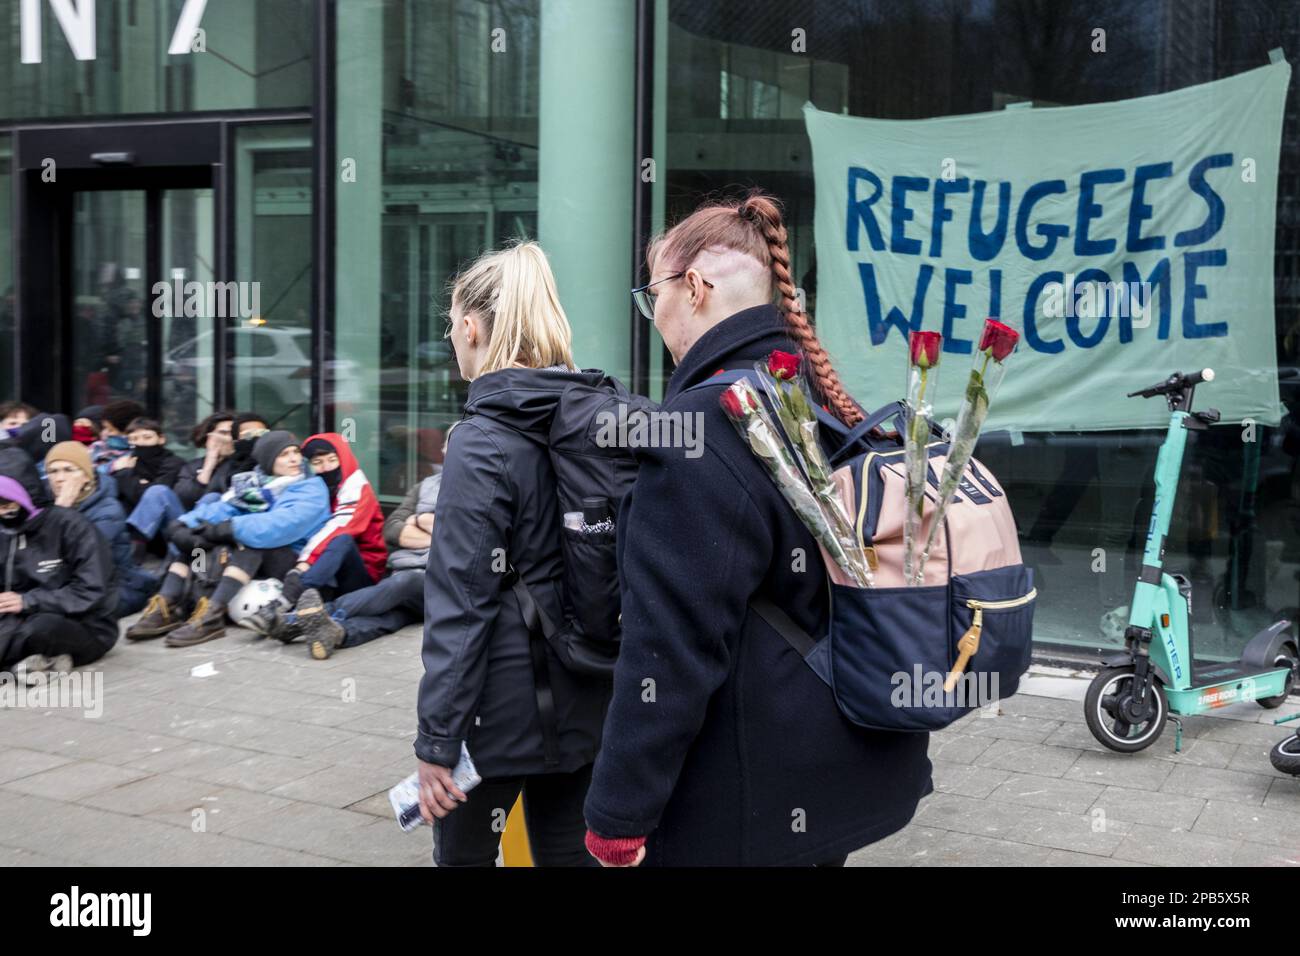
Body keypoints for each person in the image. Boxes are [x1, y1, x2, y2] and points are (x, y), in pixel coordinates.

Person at [581, 192, 934, 867]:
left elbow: (671, 647)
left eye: (650, 294)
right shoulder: (814, 396)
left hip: (741, 795)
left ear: (693, 286)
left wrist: (618, 816)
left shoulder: (702, 428)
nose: (652, 315)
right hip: (839, 757)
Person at [413, 241, 612, 867]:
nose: (452, 338)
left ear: (472, 327)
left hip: (496, 718)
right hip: (591, 696)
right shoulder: (597, 416)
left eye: (451, 325)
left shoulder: (480, 441)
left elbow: (461, 601)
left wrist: (436, 740)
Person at [124, 430, 330, 647]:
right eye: (284, 454)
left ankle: (212, 615)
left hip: (294, 562)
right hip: (259, 559)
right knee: (196, 546)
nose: (295, 459)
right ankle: (167, 604)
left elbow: (281, 525)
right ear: (269, 461)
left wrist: (227, 529)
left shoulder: (311, 487)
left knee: (249, 542)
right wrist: (185, 524)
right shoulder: (254, 484)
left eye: (296, 452)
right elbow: (222, 508)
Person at [279, 468, 442, 660]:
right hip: (406, 582)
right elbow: (392, 529)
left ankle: (297, 619)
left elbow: (460, 541)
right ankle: (336, 633)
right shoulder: (425, 486)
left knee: (406, 582)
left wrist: (417, 520)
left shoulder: (479, 493)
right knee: (390, 617)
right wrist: (430, 526)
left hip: (441, 584)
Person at [242, 431, 386, 636]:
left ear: (343, 458)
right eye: (317, 462)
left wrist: (302, 566)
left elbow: (340, 528)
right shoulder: (308, 486)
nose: (325, 467)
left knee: (342, 539)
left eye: (332, 460)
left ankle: (285, 602)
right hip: (323, 566)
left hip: (361, 575)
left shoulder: (357, 487)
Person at [0, 449, 117, 682]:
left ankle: (24, 663)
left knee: (40, 628)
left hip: (84, 625)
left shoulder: (71, 526)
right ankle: (29, 664)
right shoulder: (4, 532)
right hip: (19, 616)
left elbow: (90, 591)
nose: (3, 511)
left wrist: (28, 601)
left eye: (7, 503)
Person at [44, 441, 156, 616]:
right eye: (53, 471)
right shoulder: (43, 502)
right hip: (65, 585)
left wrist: (62, 511)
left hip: (116, 587)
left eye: (68, 470)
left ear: (87, 476)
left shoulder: (108, 510)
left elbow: (79, 557)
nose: (59, 478)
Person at [172, 412, 239, 510]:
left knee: (211, 498)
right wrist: (209, 464)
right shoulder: (193, 466)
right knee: (158, 491)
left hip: (222, 520)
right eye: (223, 433)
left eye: (233, 434)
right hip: (186, 520)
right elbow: (183, 498)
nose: (228, 439)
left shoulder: (243, 464)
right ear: (208, 438)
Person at [90, 399, 145, 472]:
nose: (105, 433)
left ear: (127, 432)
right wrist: (112, 467)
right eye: (104, 428)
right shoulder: (97, 448)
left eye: (110, 430)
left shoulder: (144, 452)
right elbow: (88, 474)